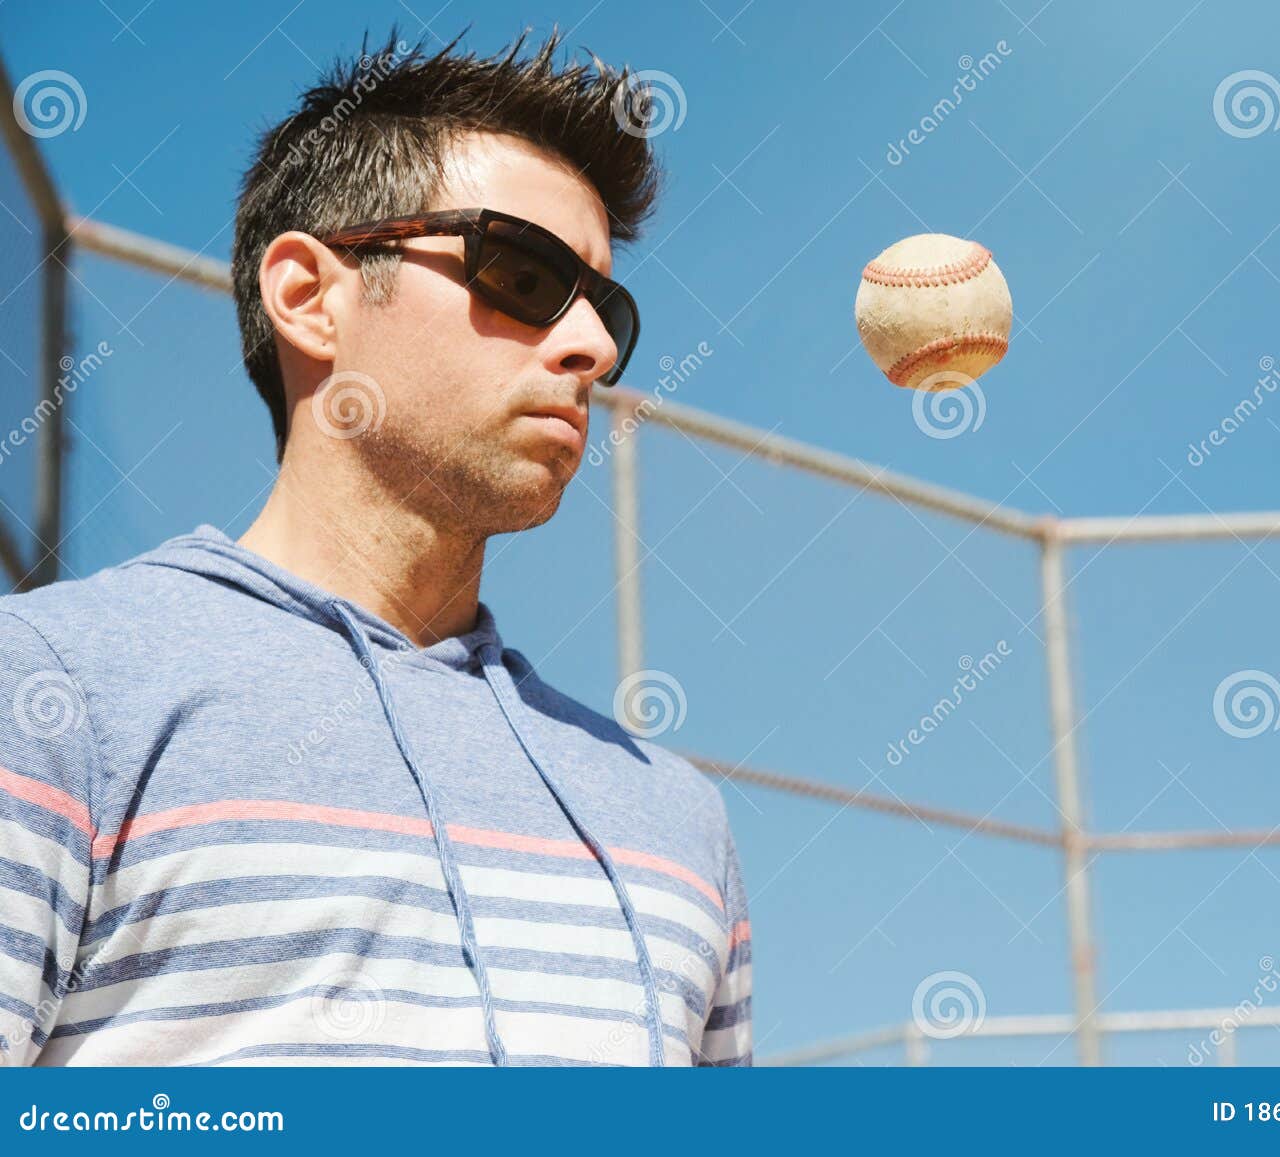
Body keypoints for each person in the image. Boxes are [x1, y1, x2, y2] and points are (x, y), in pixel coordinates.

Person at [0, 28, 752, 1067]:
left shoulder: (678, 820)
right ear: (310, 295)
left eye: (606, 307)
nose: (590, 347)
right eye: (524, 274)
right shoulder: (47, 691)